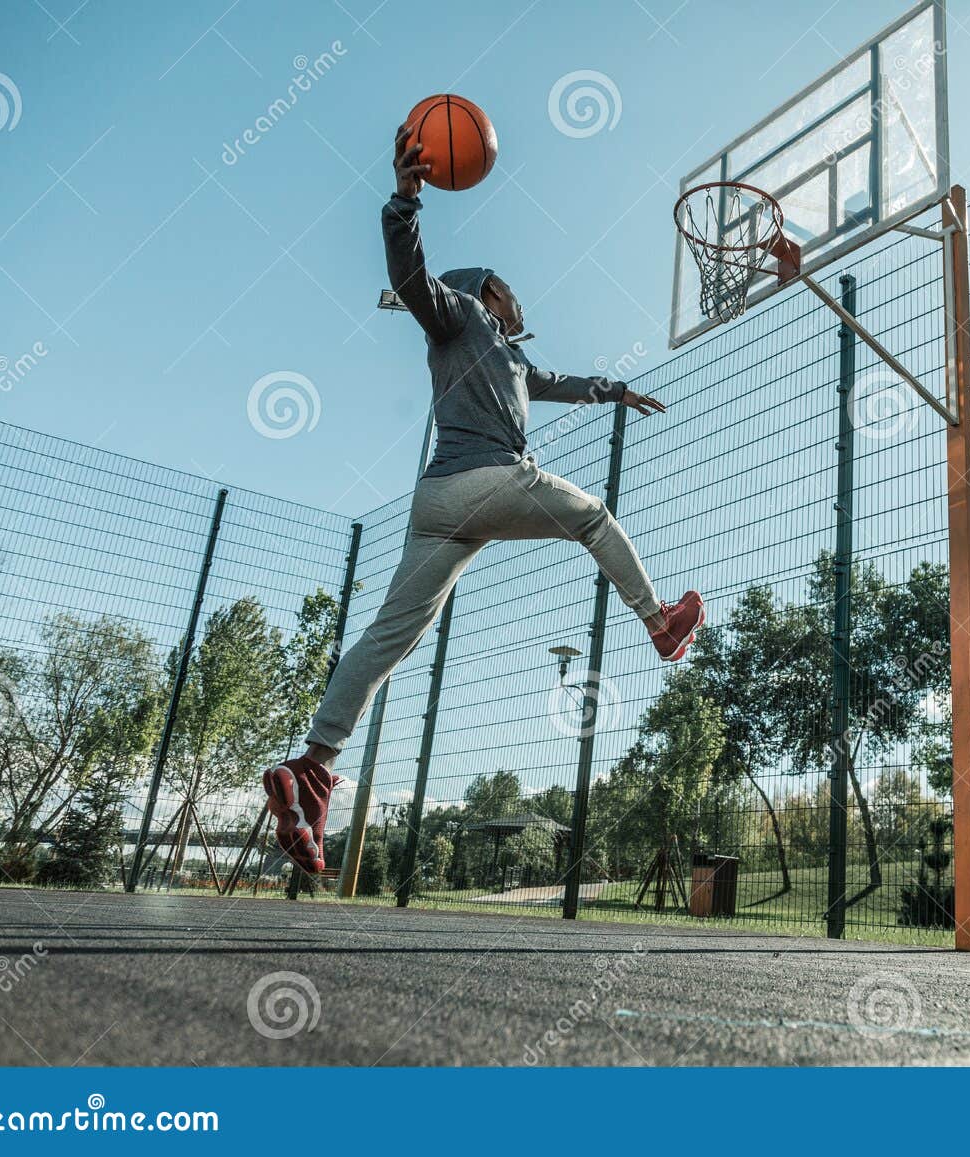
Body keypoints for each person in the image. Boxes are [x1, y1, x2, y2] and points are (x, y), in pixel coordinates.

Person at [261, 123, 704, 877]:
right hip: (485, 479)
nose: (514, 291)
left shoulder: (510, 354)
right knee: (592, 517)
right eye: (503, 282)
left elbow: (556, 381)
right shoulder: (458, 318)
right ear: (482, 290)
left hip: (439, 504)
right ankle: (660, 625)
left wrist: (615, 390)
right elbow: (411, 281)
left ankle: (310, 766)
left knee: (389, 638)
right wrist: (405, 204)